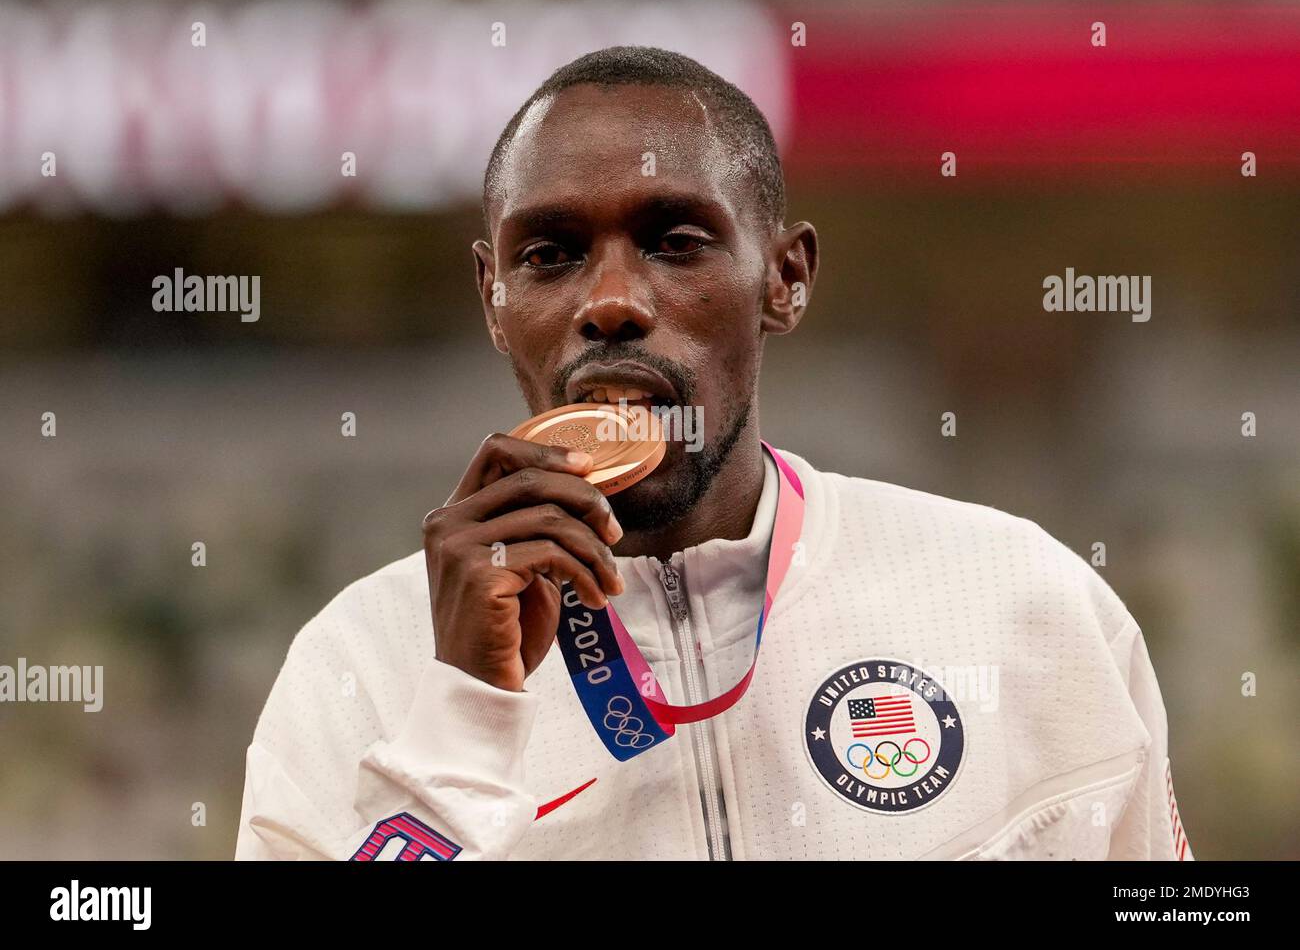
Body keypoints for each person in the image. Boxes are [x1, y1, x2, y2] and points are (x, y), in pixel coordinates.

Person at [235, 46, 1191, 861]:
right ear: (493, 300)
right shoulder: (354, 668)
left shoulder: (1022, 605)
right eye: (549, 255)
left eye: (676, 241)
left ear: (785, 277)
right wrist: (460, 721)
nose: (611, 302)